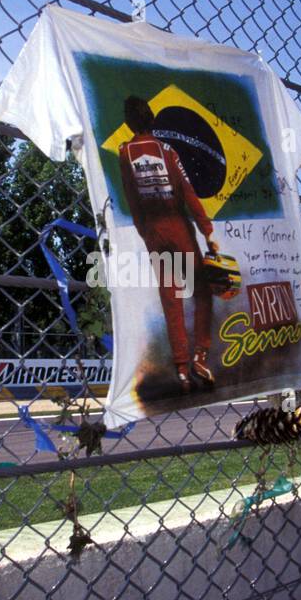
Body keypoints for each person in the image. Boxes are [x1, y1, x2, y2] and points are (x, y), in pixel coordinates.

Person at [117, 95, 218, 394]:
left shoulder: (125, 153)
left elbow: (132, 198)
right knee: (201, 292)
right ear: (151, 119)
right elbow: (188, 193)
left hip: (154, 232)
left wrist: (145, 231)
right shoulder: (167, 150)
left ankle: (181, 370)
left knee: (171, 299)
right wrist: (207, 230)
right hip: (178, 229)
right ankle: (200, 357)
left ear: (128, 123)